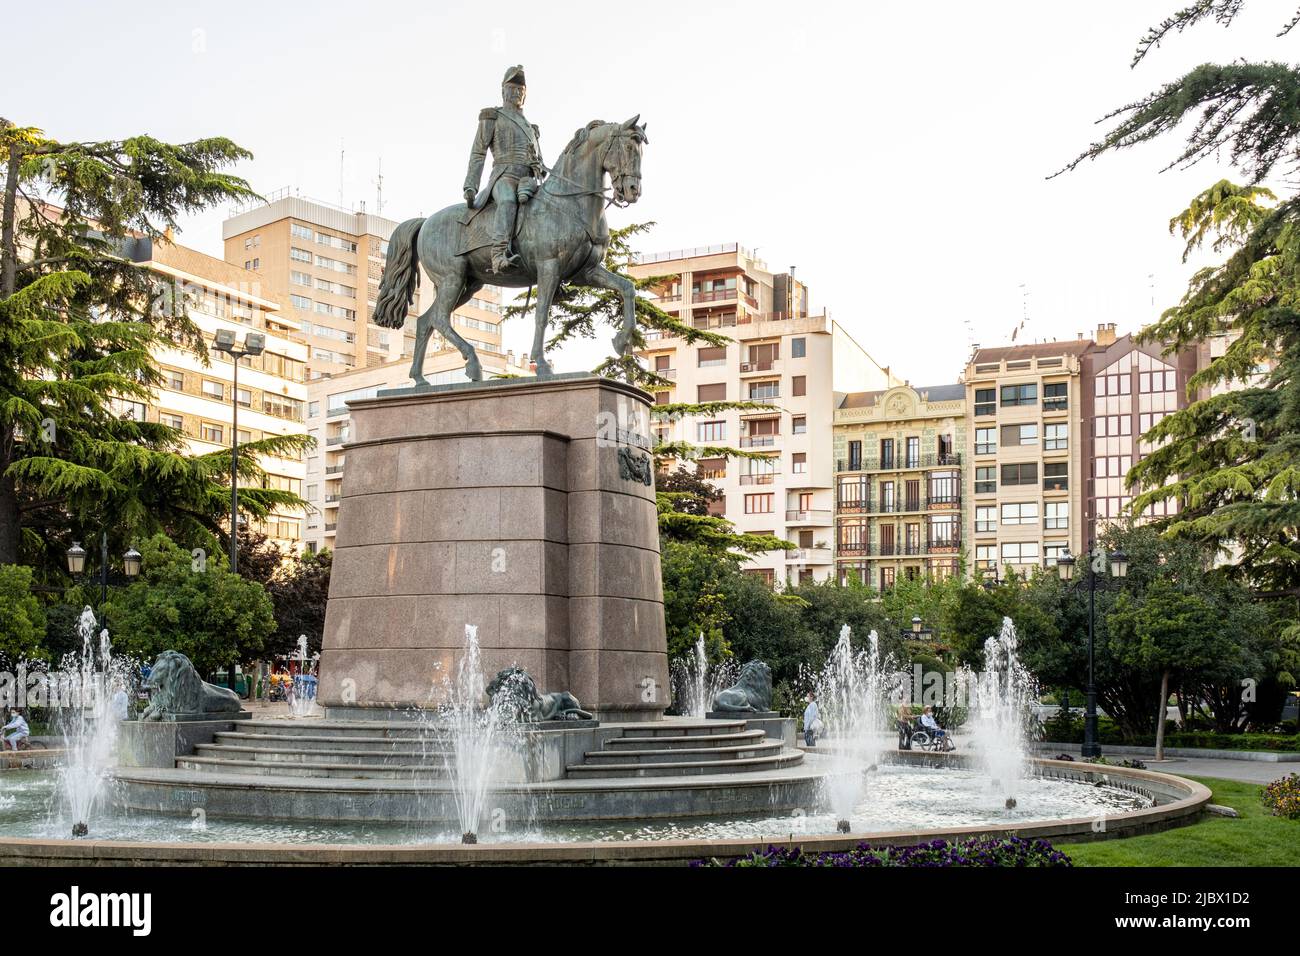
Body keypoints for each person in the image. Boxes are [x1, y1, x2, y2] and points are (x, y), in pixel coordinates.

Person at [462, 65, 546, 274]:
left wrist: (539, 169)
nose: (517, 93)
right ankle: (498, 255)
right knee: (507, 201)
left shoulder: (531, 128)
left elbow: (541, 163)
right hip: (504, 176)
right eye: (513, 88)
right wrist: (470, 185)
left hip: (528, 181)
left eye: (521, 90)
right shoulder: (493, 116)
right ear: (503, 91)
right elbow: (478, 152)